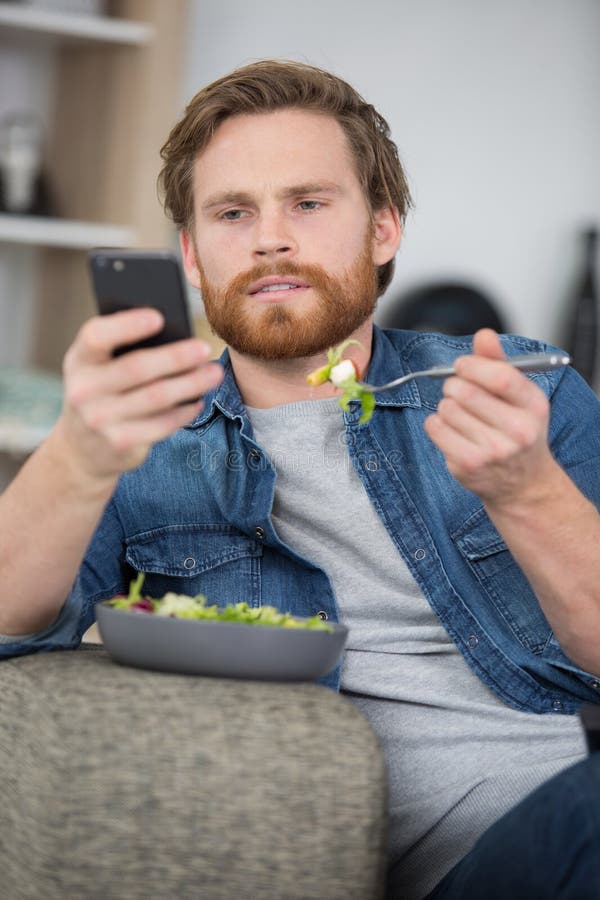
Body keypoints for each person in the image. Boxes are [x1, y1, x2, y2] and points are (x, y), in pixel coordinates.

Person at [0, 59, 599, 899]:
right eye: (232, 212)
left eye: (309, 204)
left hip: (546, 833)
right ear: (192, 254)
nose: (269, 238)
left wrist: (525, 489)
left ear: (384, 230)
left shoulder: (524, 392)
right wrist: (76, 452)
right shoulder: (140, 441)